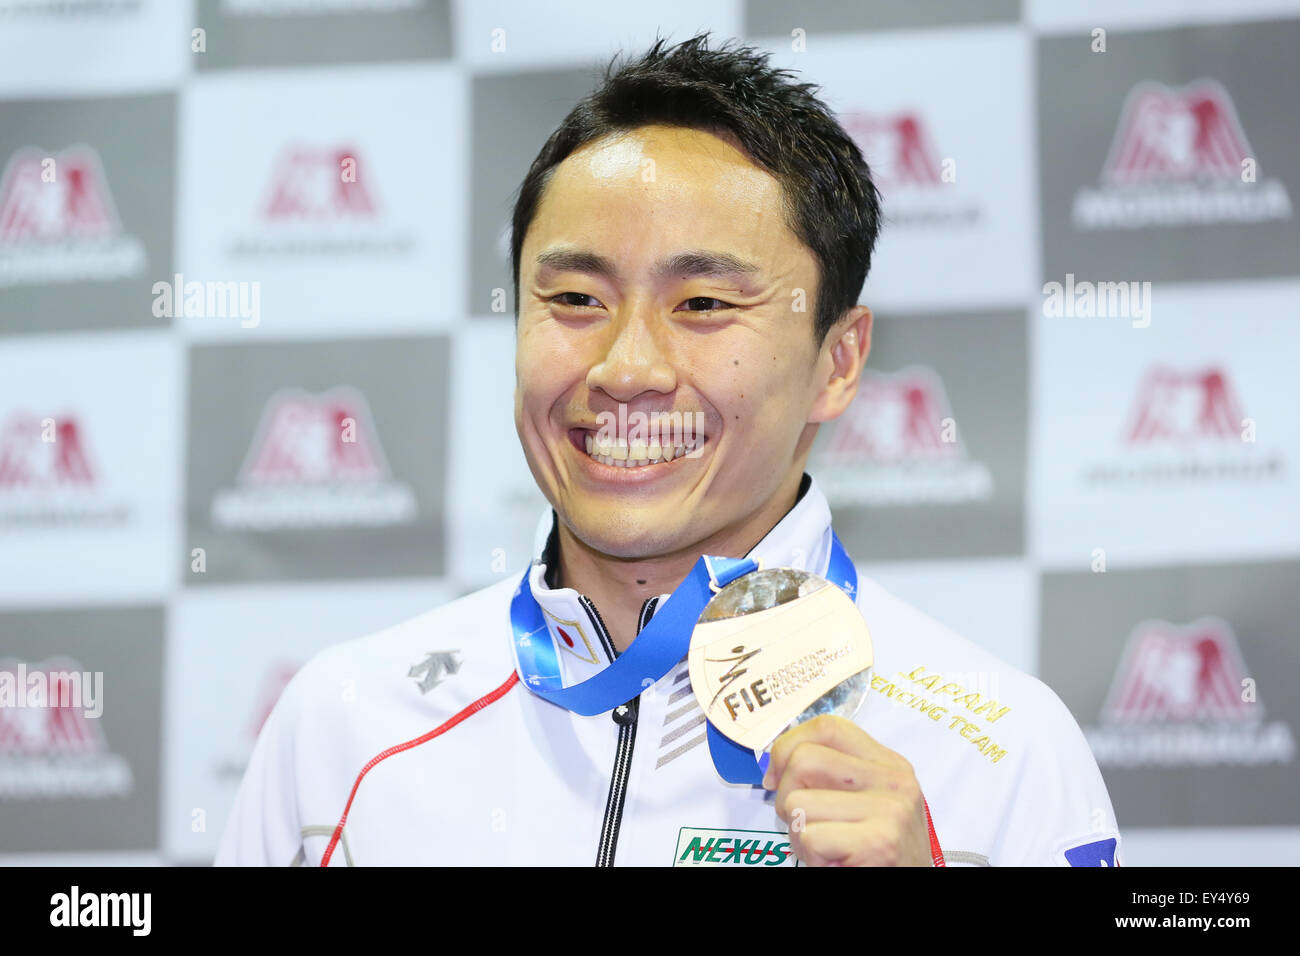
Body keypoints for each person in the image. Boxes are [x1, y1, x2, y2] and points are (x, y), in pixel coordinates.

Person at [216, 33, 1121, 867]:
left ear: (837, 363)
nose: (626, 367)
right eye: (574, 298)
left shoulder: (1001, 754)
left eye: (703, 306)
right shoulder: (344, 727)